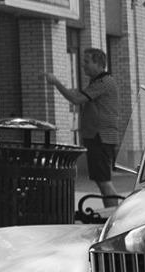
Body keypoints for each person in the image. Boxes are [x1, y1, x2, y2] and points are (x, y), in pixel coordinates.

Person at [49, 47, 127, 207]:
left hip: (101, 137)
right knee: (101, 180)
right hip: (98, 137)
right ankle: (110, 215)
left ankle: (113, 217)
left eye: (87, 62)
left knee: (104, 181)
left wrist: (56, 82)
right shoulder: (98, 82)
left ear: (98, 63)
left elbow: (76, 99)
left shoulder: (103, 82)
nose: (83, 65)